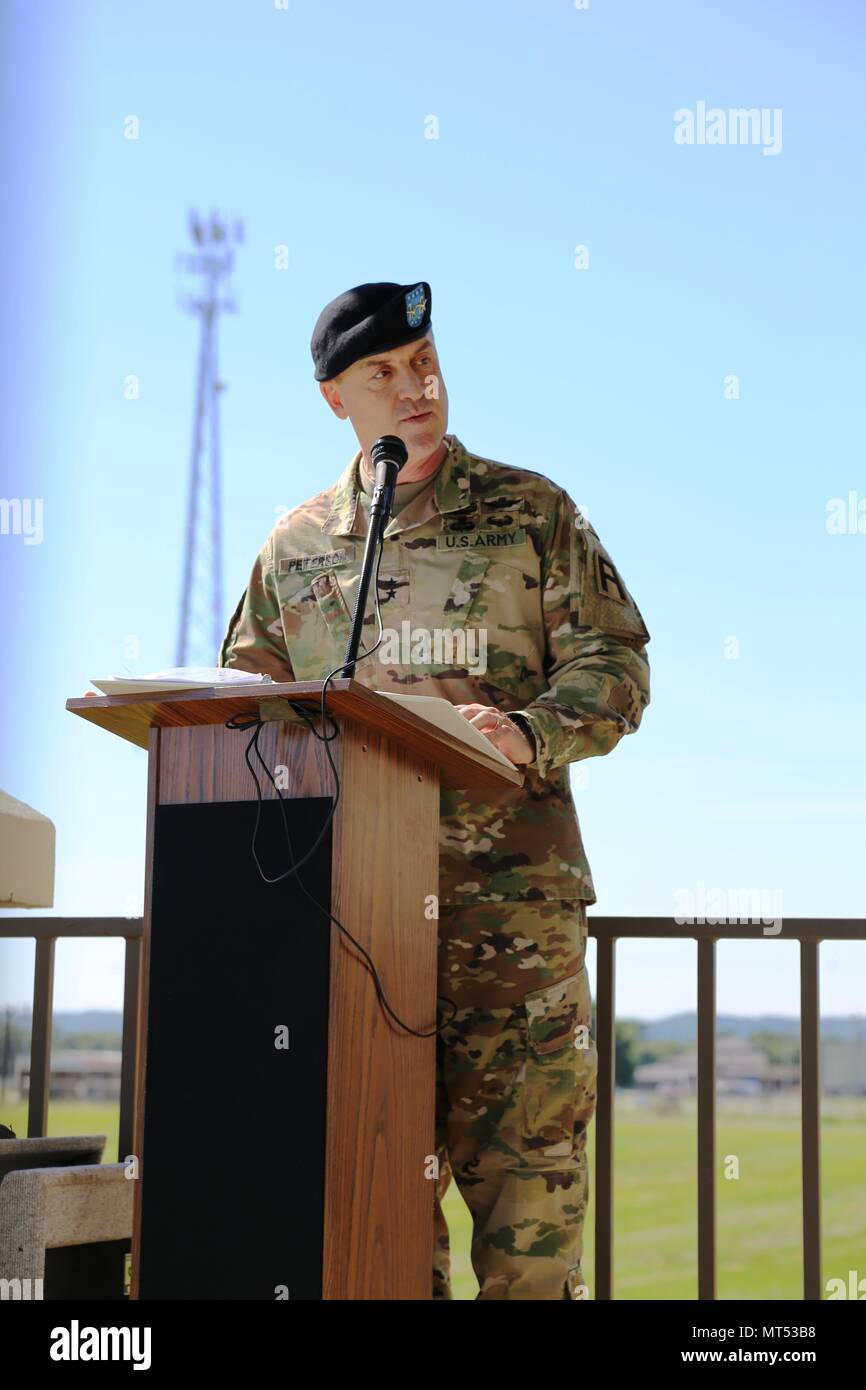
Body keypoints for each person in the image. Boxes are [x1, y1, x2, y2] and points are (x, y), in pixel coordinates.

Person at [218, 280, 651, 1299]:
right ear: (336, 399)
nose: (418, 385)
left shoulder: (530, 513)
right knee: (371, 1223)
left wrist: (533, 731)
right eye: (384, 373)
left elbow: (615, 663)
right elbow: (239, 703)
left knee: (530, 1224)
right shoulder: (296, 549)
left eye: (424, 360)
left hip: (510, 929)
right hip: (354, 929)